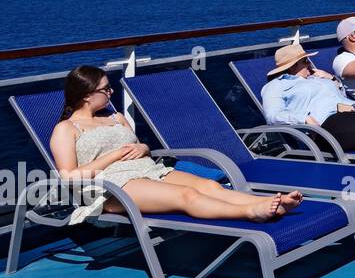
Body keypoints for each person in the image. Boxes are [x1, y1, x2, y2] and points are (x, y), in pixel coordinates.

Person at [50, 65, 301, 226]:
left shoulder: (116, 118)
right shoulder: (67, 129)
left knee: (209, 185)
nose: (111, 93)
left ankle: (264, 202)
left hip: (149, 170)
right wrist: (113, 157)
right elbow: (69, 177)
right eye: (106, 89)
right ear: (86, 94)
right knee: (188, 196)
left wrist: (144, 148)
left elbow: (138, 147)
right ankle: (251, 212)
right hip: (112, 187)